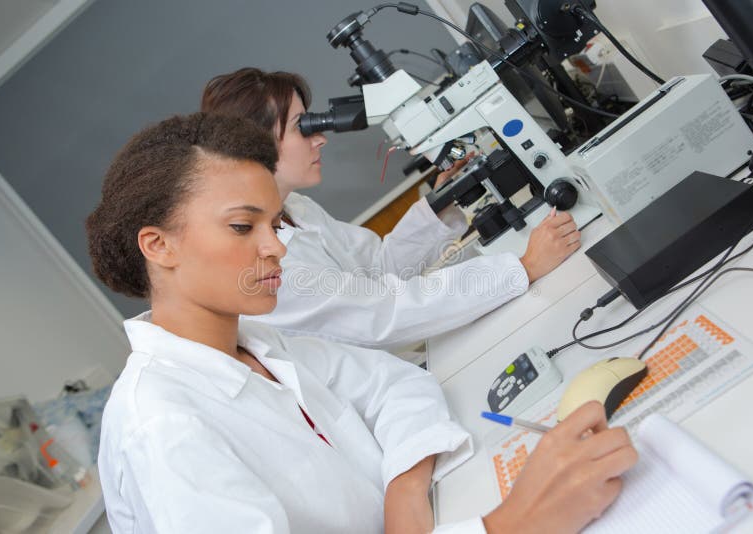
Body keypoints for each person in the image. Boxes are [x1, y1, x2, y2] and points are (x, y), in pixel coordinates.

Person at [88, 112, 636, 533]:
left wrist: (403, 493)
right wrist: (513, 522)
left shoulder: (258, 344)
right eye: (241, 227)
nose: (276, 248)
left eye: (274, 224)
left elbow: (395, 384)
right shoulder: (162, 427)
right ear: (159, 245)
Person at [201, 68, 581, 351]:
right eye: (303, 127)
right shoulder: (259, 261)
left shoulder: (295, 208)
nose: (320, 139)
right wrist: (522, 269)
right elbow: (381, 314)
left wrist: (440, 201)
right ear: (254, 145)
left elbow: (377, 270)